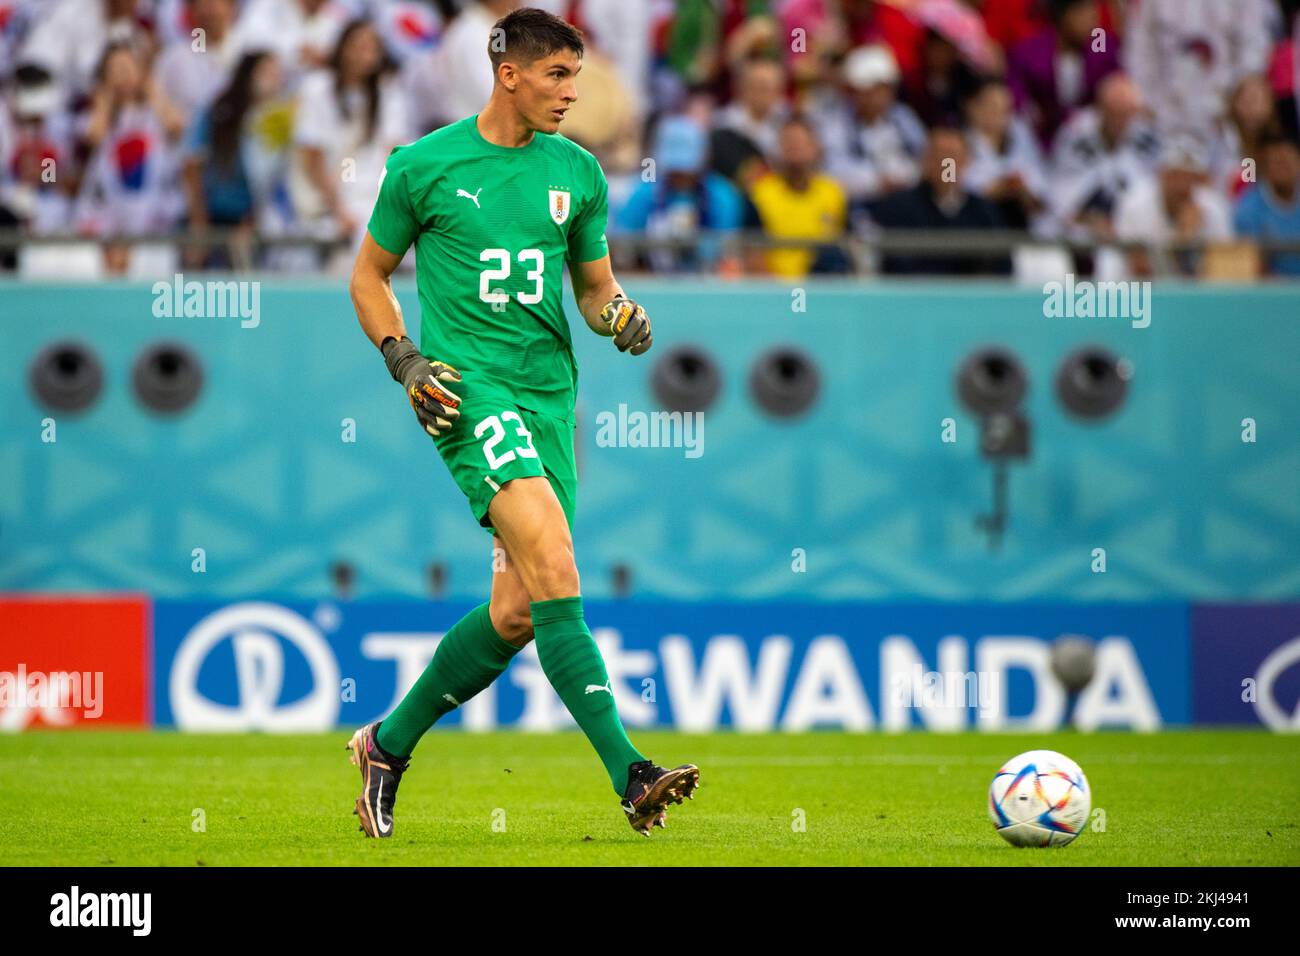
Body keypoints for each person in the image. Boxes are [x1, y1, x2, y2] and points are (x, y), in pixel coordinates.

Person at [346, 6, 700, 840]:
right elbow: (368, 277)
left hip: (550, 399)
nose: (573, 93)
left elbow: (593, 289)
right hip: (466, 391)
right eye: (557, 76)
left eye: (575, 76)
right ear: (509, 74)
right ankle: (632, 773)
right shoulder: (424, 166)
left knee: (516, 612)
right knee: (555, 557)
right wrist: (404, 357)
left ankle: (385, 746)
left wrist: (621, 316)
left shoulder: (578, 173)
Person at [871, 125, 1011, 275]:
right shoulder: (899, 207)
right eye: (940, 157)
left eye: (953, 157)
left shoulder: (983, 210)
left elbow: (1002, 263)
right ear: (926, 160)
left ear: (966, 161)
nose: (947, 166)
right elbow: (891, 263)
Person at [749, 114, 849, 277]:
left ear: (816, 147)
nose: (795, 149)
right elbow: (753, 255)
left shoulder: (833, 193)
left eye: (801, 143)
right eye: (788, 143)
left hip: (822, 290)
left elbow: (844, 245)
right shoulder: (760, 194)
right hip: (775, 292)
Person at [1233, 130, 1300, 275]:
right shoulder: (1247, 210)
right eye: (1276, 163)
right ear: (1263, 167)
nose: (1282, 169)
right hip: (1271, 292)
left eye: (1286, 162)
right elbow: (1252, 267)